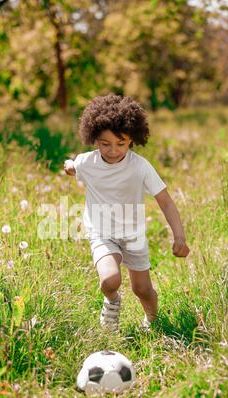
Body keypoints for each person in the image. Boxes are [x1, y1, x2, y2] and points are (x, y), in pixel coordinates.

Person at [64, 93, 190, 332]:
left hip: (132, 234)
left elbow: (165, 201)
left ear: (132, 139)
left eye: (121, 143)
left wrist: (179, 236)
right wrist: (68, 166)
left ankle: (152, 321)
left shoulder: (140, 166)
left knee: (141, 289)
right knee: (110, 280)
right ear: (94, 139)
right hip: (102, 232)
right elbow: (74, 166)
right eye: (105, 144)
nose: (113, 150)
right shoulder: (88, 163)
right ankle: (112, 302)